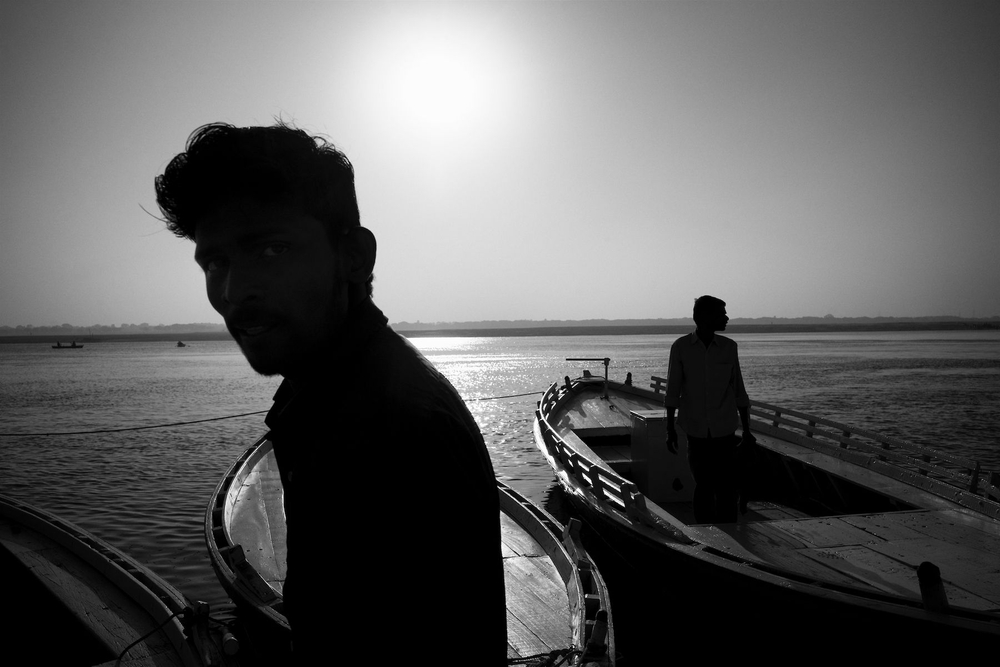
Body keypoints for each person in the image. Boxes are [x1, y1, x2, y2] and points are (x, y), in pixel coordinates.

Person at [154, 122, 507, 663]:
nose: (233, 292)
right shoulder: (329, 396)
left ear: (354, 258)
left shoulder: (390, 428)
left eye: (271, 249)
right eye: (216, 262)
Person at [663, 295, 755, 523]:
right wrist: (670, 428)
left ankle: (730, 532)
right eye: (721, 314)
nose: (726, 318)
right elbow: (673, 391)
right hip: (695, 430)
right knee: (703, 483)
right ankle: (705, 532)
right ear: (704, 317)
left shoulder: (729, 347)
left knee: (726, 486)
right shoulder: (681, 347)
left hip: (724, 429)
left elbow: (739, 391)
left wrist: (747, 429)